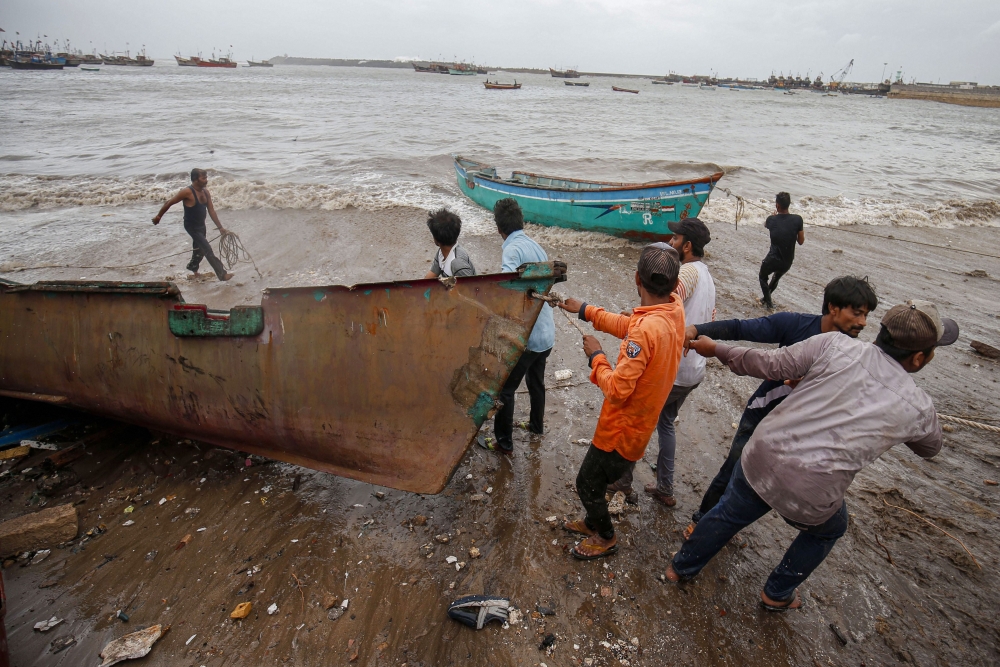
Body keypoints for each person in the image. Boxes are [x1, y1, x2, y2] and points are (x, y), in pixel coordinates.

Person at [666, 300, 958, 610]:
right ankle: (776, 592)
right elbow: (931, 447)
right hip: (813, 491)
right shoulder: (918, 406)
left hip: (763, 456)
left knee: (730, 511)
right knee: (832, 528)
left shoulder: (833, 343)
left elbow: (767, 363)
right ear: (918, 358)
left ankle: (678, 568)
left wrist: (717, 350)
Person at [682, 276, 878, 539]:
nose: (863, 323)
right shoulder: (794, 324)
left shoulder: (858, 354)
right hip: (764, 412)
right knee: (735, 467)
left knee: (760, 484)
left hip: (800, 429)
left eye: (866, 315)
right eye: (857, 313)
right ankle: (702, 520)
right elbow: (742, 328)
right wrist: (695, 328)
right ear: (833, 308)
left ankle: (725, 524)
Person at [557, 243, 685, 559]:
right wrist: (586, 310)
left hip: (620, 431)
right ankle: (591, 522)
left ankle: (606, 537)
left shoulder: (645, 331)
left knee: (587, 484)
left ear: (637, 279)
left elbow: (616, 390)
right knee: (596, 481)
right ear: (673, 285)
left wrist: (596, 356)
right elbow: (630, 325)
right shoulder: (673, 310)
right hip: (640, 426)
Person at [608, 218, 716, 506]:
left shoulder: (689, 273)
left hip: (673, 371)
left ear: (688, 245)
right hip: (693, 371)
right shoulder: (707, 276)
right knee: (666, 423)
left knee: (636, 420)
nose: (671, 243)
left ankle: (623, 481)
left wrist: (637, 321)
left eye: (676, 239)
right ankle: (665, 487)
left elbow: (663, 305)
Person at [479, 198, 554, 454]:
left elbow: (509, 293)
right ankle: (536, 427)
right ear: (520, 222)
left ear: (498, 228)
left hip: (529, 338)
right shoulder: (536, 246)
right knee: (536, 384)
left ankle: (503, 443)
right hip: (546, 336)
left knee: (505, 390)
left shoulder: (511, 250)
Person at [152, 168, 233, 281]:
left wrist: (220, 227)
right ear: (195, 179)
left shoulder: (205, 192)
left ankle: (193, 268)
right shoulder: (187, 192)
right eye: (203, 178)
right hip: (191, 226)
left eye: (206, 178)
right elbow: (169, 202)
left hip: (201, 225)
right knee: (207, 249)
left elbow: (211, 210)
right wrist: (158, 217)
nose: (206, 180)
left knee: (198, 249)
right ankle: (222, 274)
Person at [758, 192, 803, 309]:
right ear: (789, 204)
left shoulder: (771, 220)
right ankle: (765, 300)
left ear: (777, 205)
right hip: (787, 261)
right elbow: (801, 241)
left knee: (762, 277)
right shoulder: (798, 219)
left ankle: (769, 304)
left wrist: (773, 216)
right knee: (776, 277)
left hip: (773, 258)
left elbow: (766, 225)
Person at [423, 208, 476, 279]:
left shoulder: (457, 263)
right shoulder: (441, 254)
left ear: (436, 239)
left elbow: (472, 286)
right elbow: (429, 278)